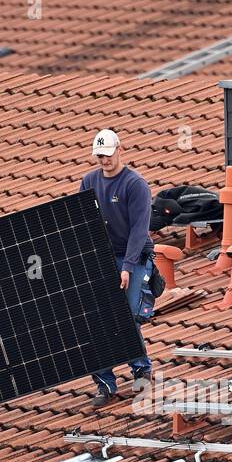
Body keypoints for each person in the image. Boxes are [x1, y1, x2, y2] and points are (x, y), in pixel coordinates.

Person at [80, 128, 155, 408]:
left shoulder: (135, 185)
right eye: (99, 156)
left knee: (128, 316)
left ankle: (141, 370)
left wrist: (128, 266)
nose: (104, 160)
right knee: (97, 319)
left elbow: (139, 230)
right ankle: (104, 382)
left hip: (132, 256)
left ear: (120, 150)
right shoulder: (89, 181)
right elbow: (82, 221)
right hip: (103, 256)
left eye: (108, 155)